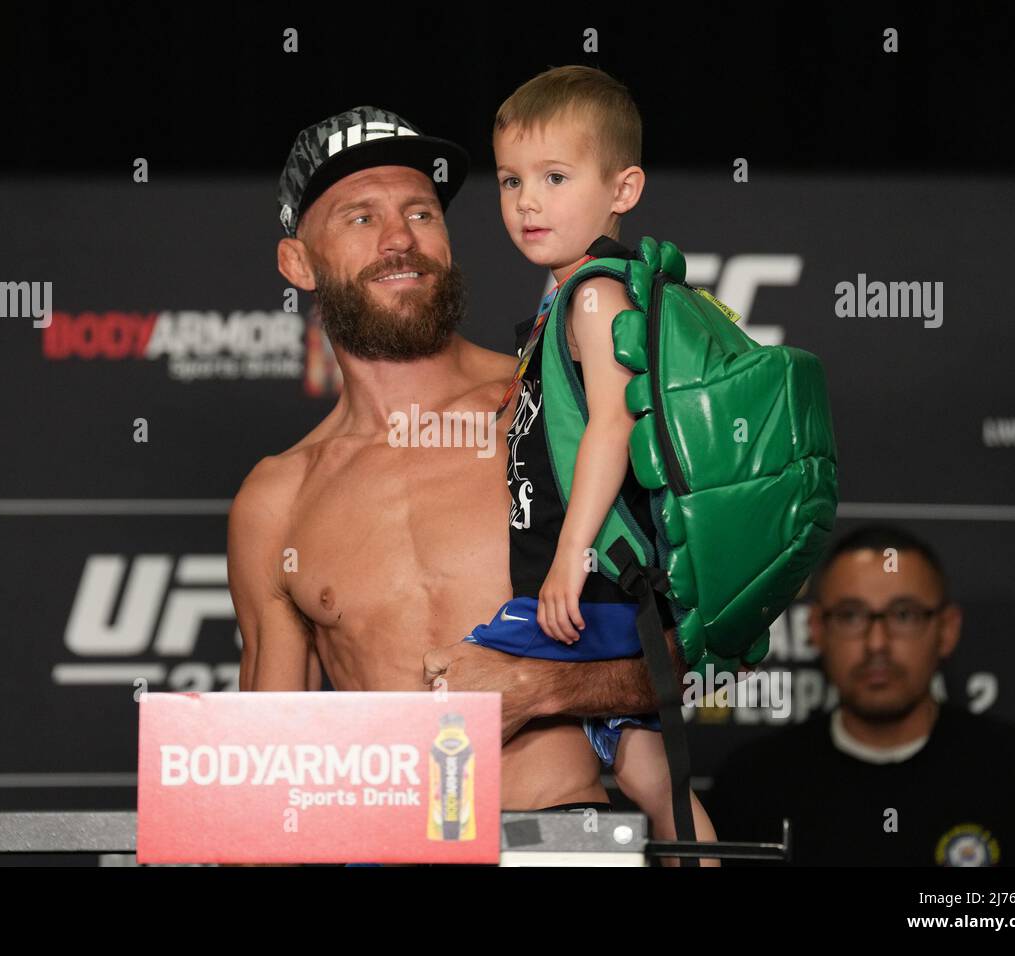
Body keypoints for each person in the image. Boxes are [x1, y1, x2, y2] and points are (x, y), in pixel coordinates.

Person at [232, 105, 681, 819]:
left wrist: (543, 689)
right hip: (383, 849)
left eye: (421, 212)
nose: (400, 240)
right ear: (298, 263)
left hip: (562, 844)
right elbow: (264, 773)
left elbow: (701, 656)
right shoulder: (279, 498)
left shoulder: (552, 412)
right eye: (359, 218)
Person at [448, 65, 718, 862]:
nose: (527, 201)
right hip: (603, 585)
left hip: (595, 582)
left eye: (555, 177)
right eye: (509, 180)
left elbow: (610, 424)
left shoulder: (596, 295)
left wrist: (568, 559)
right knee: (649, 775)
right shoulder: (563, 299)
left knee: (452, 690)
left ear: (623, 188)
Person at [705, 523, 1015, 865]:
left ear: (947, 629)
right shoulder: (753, 787)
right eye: (852, 615)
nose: (877, 643)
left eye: (903, 615)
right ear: (817, 629)